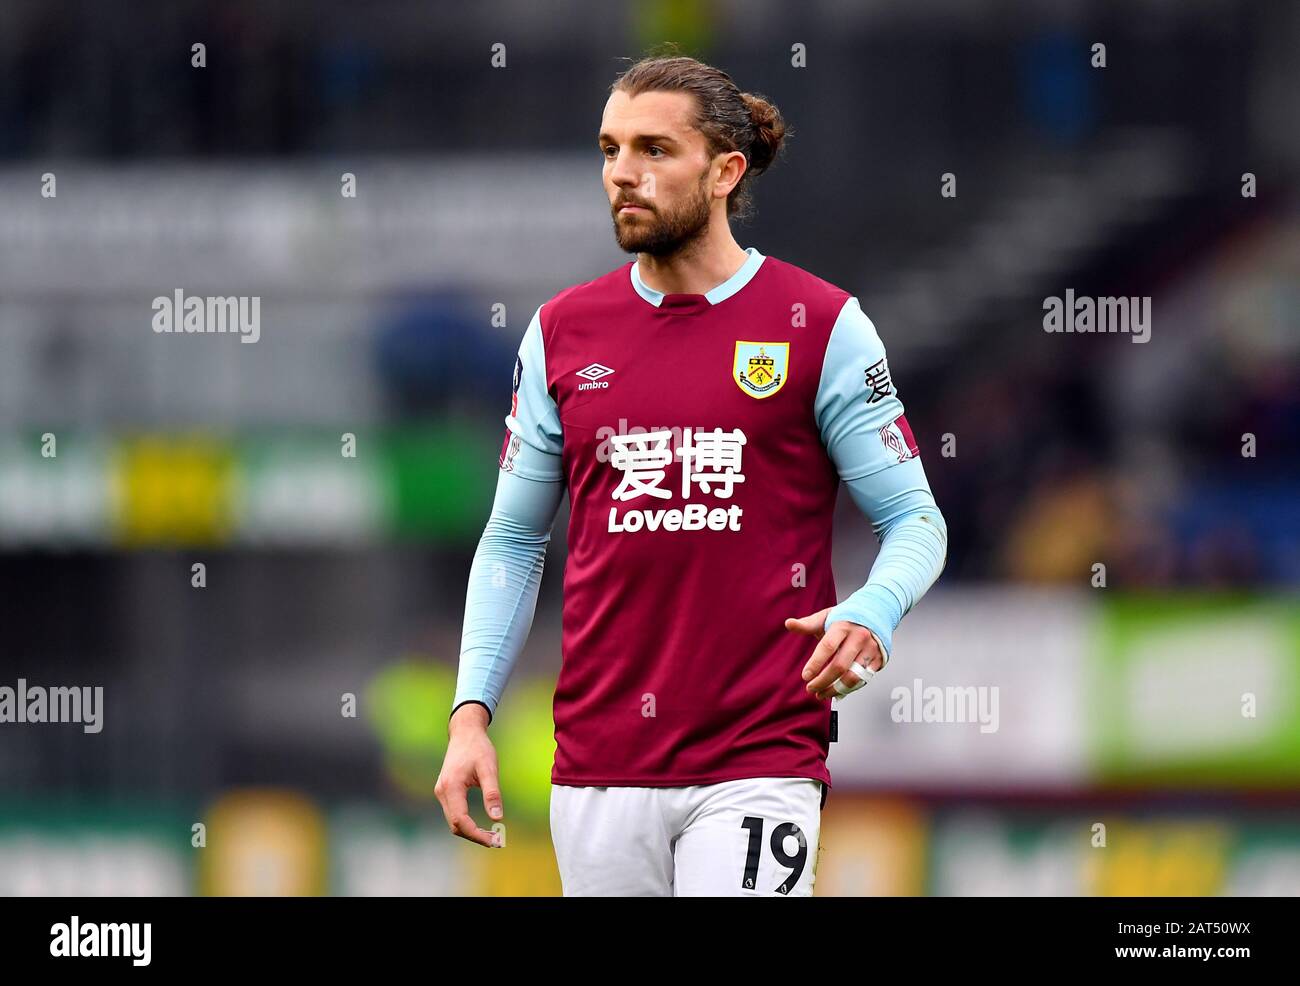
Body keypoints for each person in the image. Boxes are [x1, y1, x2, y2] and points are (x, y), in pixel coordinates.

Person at [435, 53, 947, 896]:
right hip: (600, 764)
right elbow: (514, 538)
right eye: (609, 149)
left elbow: (916, 520)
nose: (622, 174)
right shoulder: (563, 332)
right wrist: (470, 714)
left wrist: (873, 610)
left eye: (653, 150)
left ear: (724, 172)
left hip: (758, 755)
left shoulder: (820, 325)